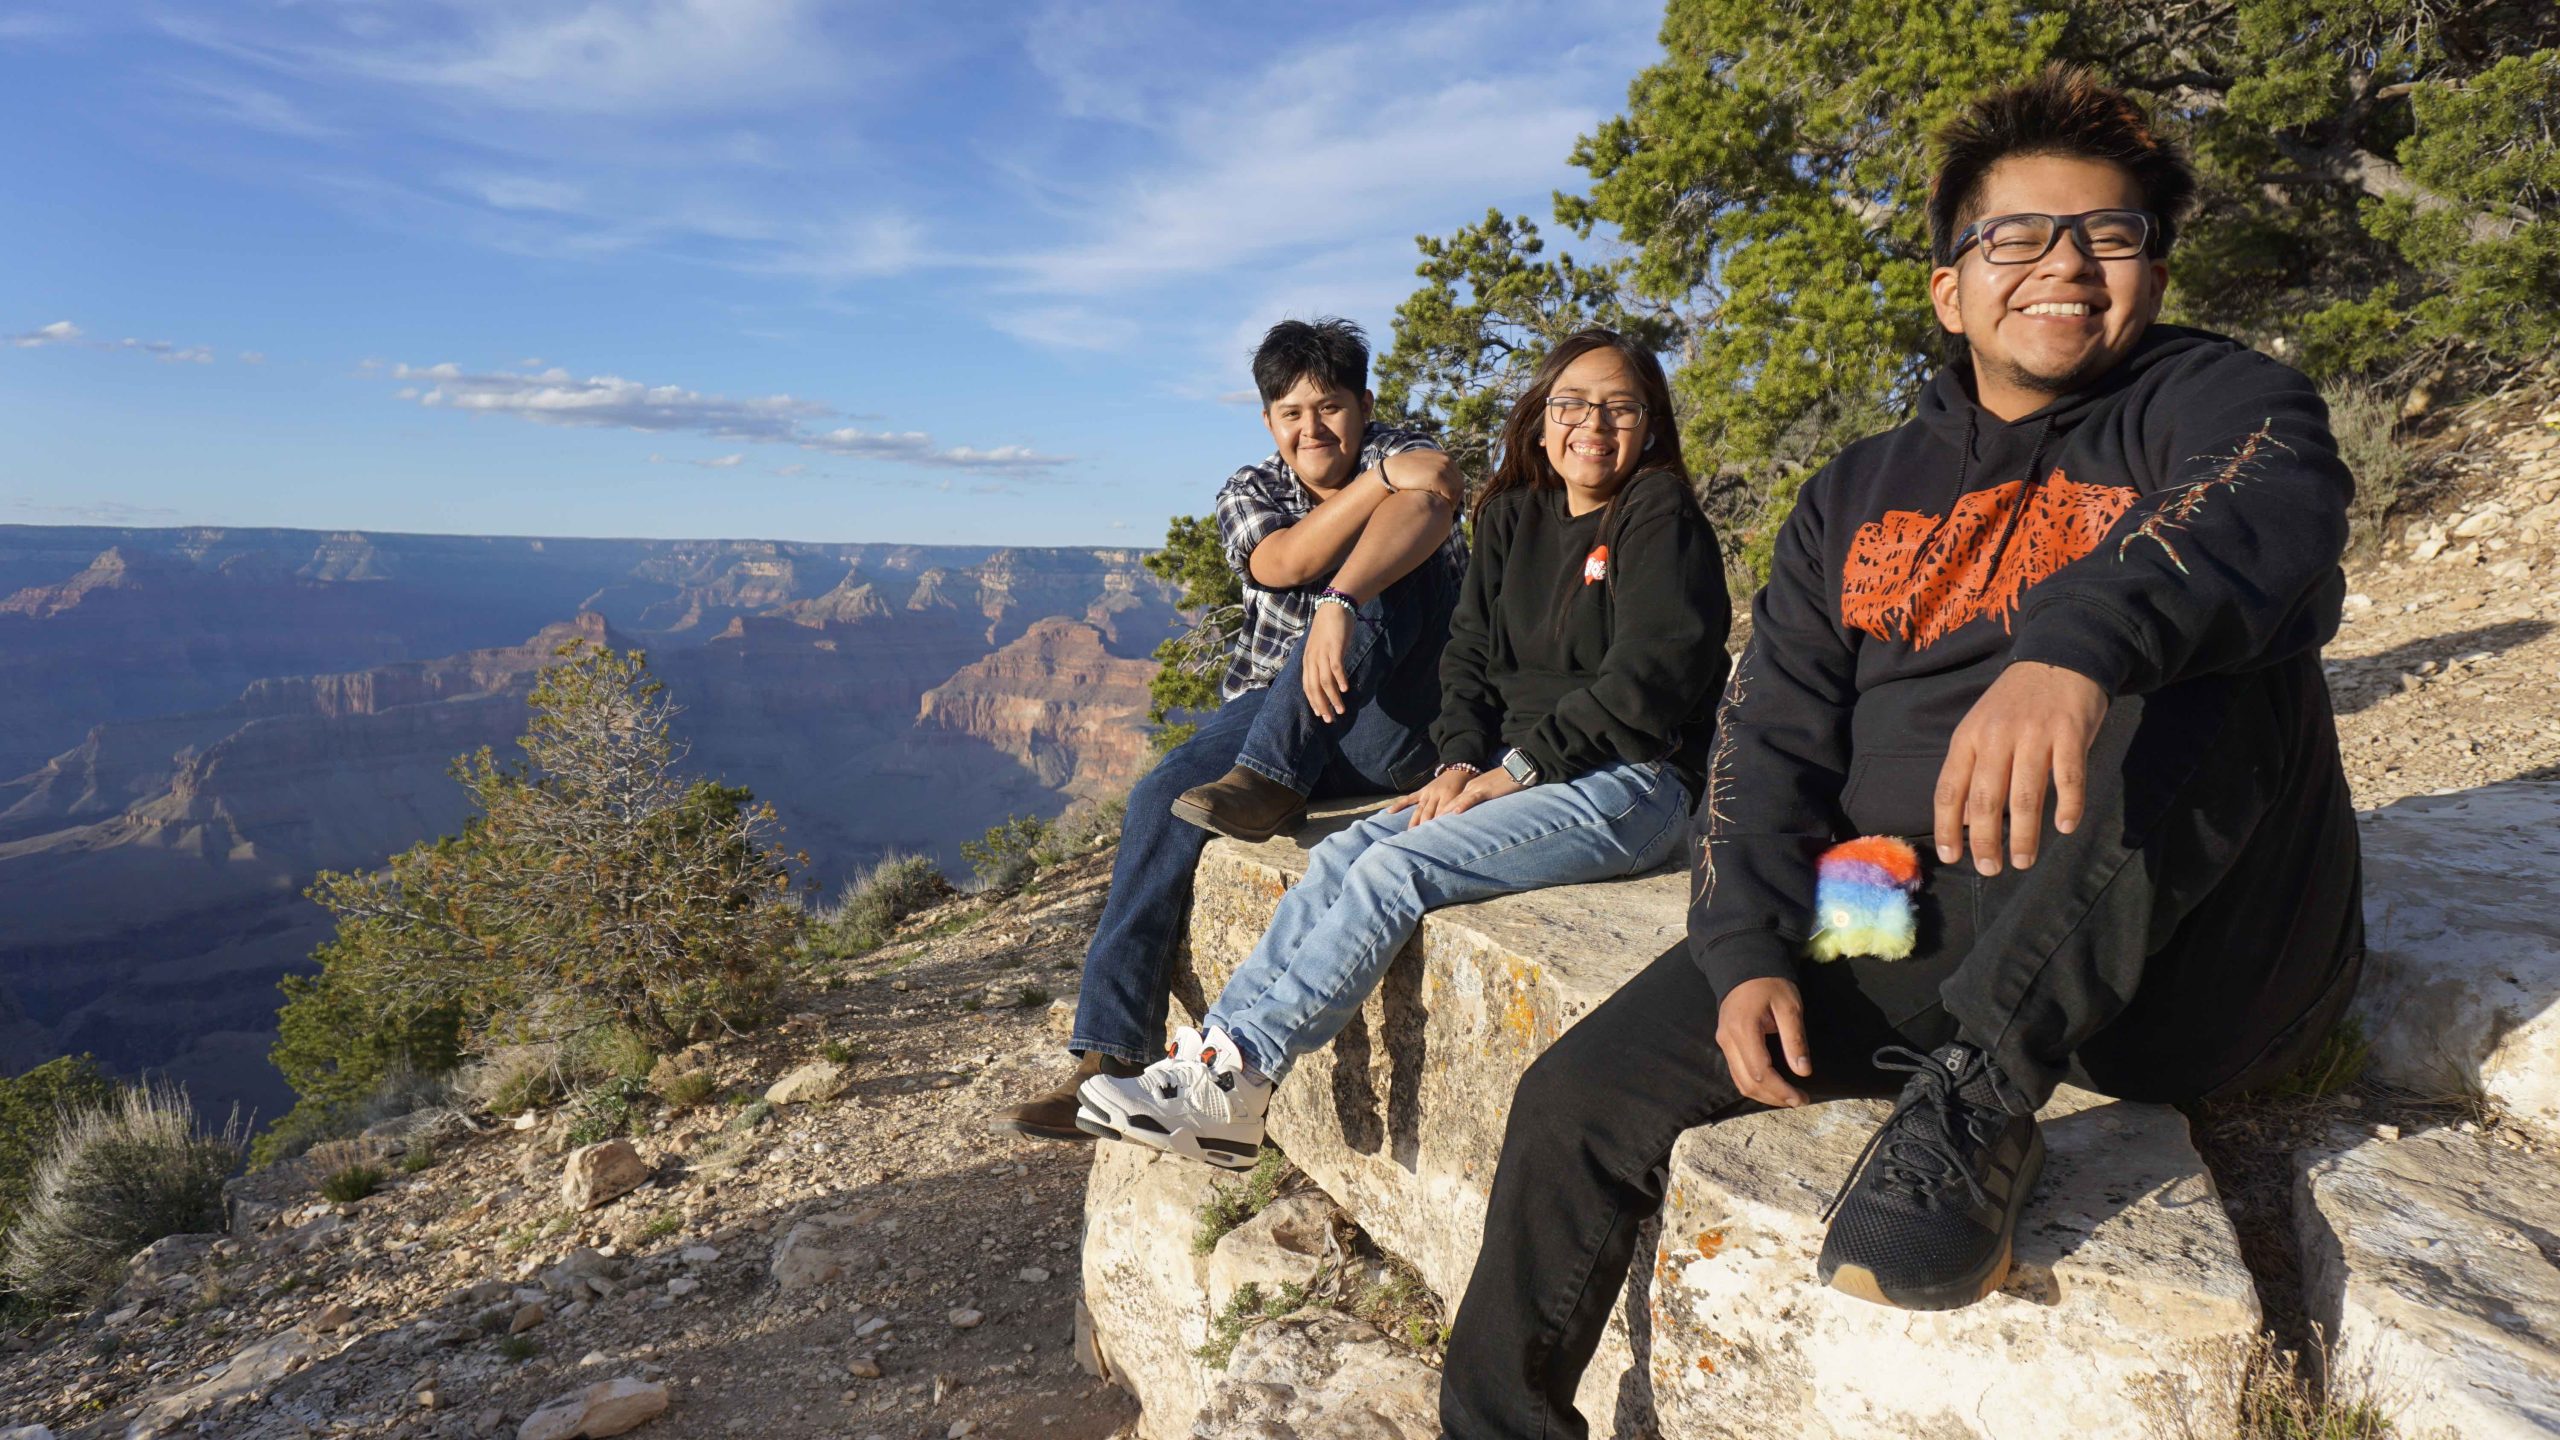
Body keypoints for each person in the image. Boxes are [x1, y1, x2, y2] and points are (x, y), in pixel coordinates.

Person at [1442, 68, 2366, 1437]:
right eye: (2019, 236)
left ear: (2155, 274)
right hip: (1907, 905)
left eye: (2108, 236)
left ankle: (1981, 1095)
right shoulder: (1855, 493)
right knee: (1576, 1097)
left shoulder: (2222, 403)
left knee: (2233, 650)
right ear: (1949, 289)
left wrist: (2074, 651)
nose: (2066, 265)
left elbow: (2267, 509)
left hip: (2187, 958)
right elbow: (1770, 732)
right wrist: (1746, 946)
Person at [1075, 329, 1730, 1168]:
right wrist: (1458, 761)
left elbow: (1650, 682)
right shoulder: (1514, 516)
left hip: (1631, 782)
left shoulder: (1657, 514)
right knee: (1344, 852)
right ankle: (1214, 1064)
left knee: (1397, 868)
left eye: (1619, 408)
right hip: (1521, 771)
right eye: (1570, 404)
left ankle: (1243, 1075)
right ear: (1540, 420)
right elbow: (1470, 658)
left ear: (1650, 424)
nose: (1592, 426)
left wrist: (1515, 769)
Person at [990, 317, 1468, 1141]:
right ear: (1268, 420)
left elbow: (1435, 489)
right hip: (1271, 704)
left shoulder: (1405, 449)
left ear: (1365, 406)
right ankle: (1109, 1057)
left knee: (1398, 559)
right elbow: (1280, 563)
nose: (1312, 429)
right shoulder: (1252, 488)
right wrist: (1376, 490)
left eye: (1330, 407)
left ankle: (1273, 778)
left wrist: (1343, 600)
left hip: (1393, 718)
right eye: (1291, 413)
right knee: (1157, 798)